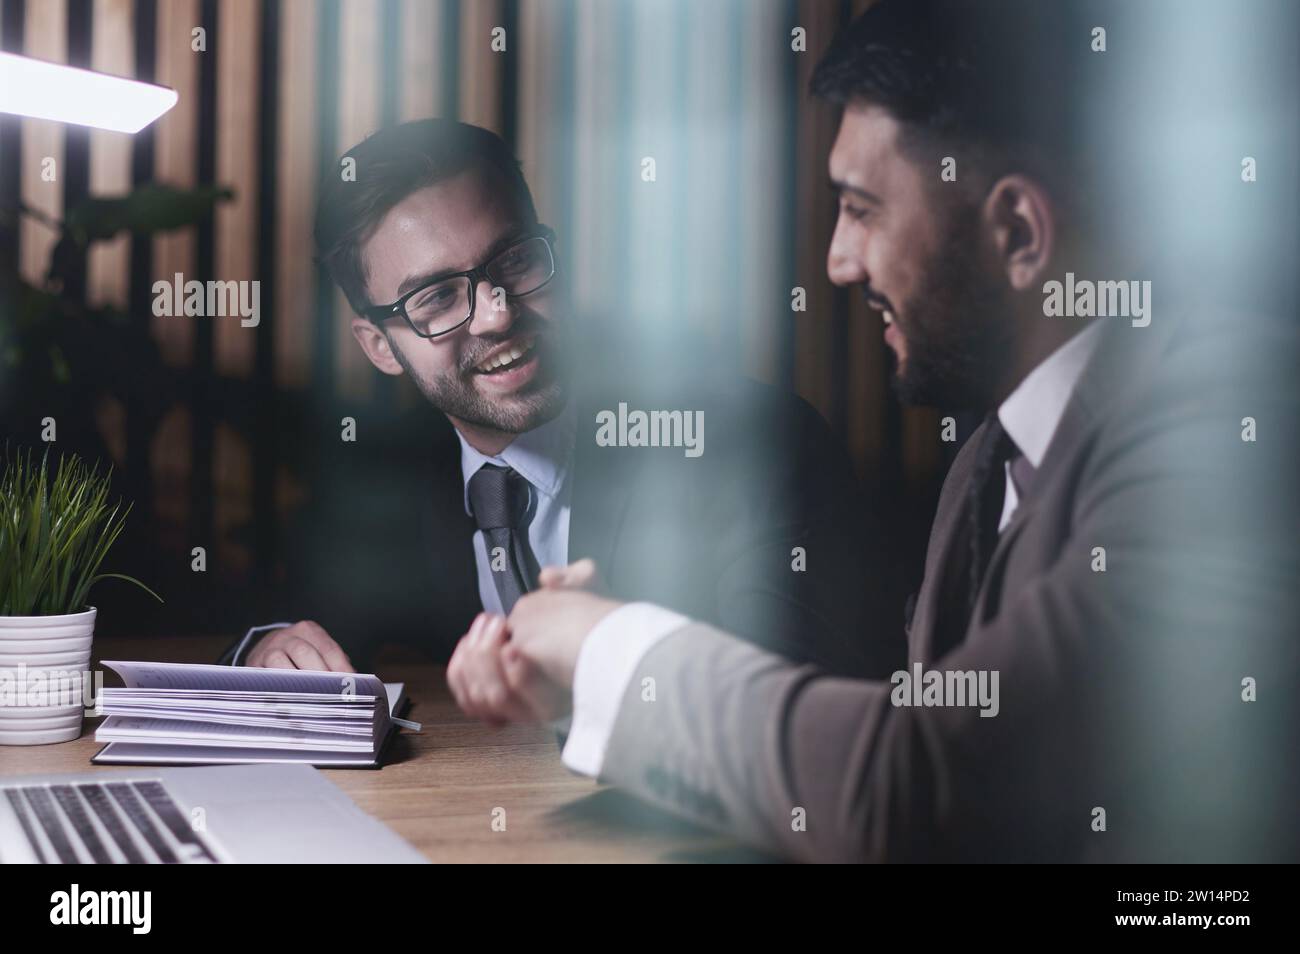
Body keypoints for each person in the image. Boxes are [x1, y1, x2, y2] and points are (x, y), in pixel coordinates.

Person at [446, 0, 1299, 861]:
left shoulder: (1230, 444)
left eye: (862, 210)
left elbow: (920, 782)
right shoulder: (987, 460)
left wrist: (609, 650)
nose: (837, 262)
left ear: (1018, 231)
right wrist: (578, 683)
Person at [221, 119, 898, 681]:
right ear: (377, 344)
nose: (494, 315)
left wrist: (603, 657)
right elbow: (296, 611)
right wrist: (268, 646)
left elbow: (801, 704)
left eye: (514, 261)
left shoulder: (748, 444)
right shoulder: (381, 474)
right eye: (436, 298)